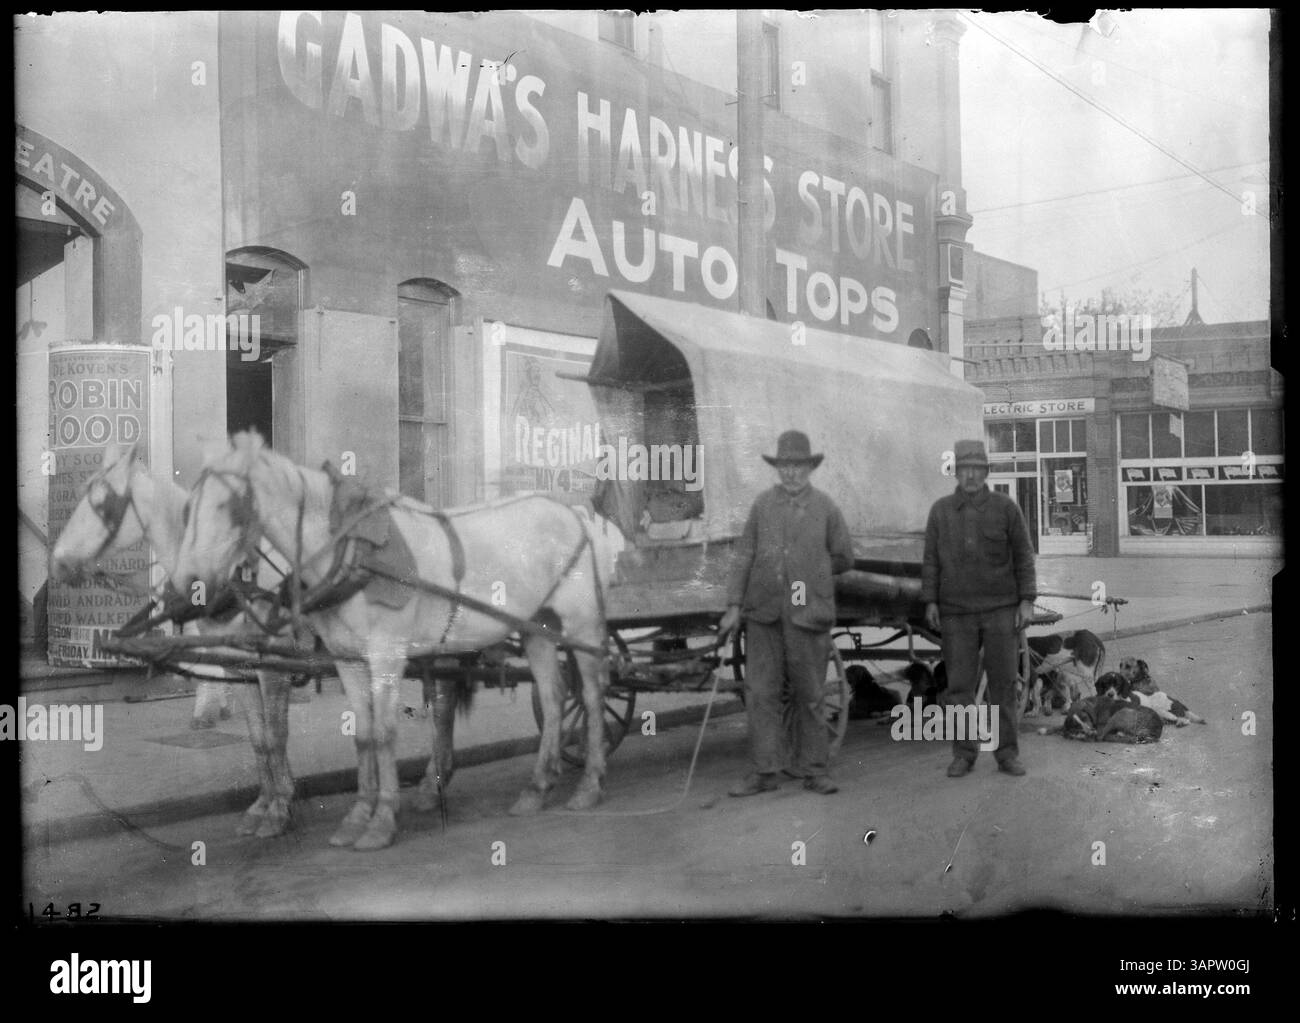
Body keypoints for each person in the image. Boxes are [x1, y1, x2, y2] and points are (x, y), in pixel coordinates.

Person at [720, 431, 854, 796]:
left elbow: (843, 556)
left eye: (798, 466)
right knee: (761, 693)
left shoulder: (826, 508)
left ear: (809, 468)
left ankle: (815, 770)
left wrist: (811, 573)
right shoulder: (762, 506)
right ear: (777, 468)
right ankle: (766, 771)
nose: (791, 473)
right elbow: (744, 555)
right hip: (764, 616)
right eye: (785, 466)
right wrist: (734, 606)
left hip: (808, 616)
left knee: (809, 694)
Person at [922, 439, 1037, 777]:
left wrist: (1026, 600)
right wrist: (930, 600)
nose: (970, 476)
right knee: (959, 688)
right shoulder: (940, 512)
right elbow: (930, 561)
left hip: (1001, 610)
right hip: (956, 613)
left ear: (985, 472)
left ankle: (1006, 754)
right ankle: (964, 754)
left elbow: (1023, 556)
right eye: (964, 470)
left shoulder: (1006, 508)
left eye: (976, 469)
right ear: (956, 473)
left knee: (1002, 685)